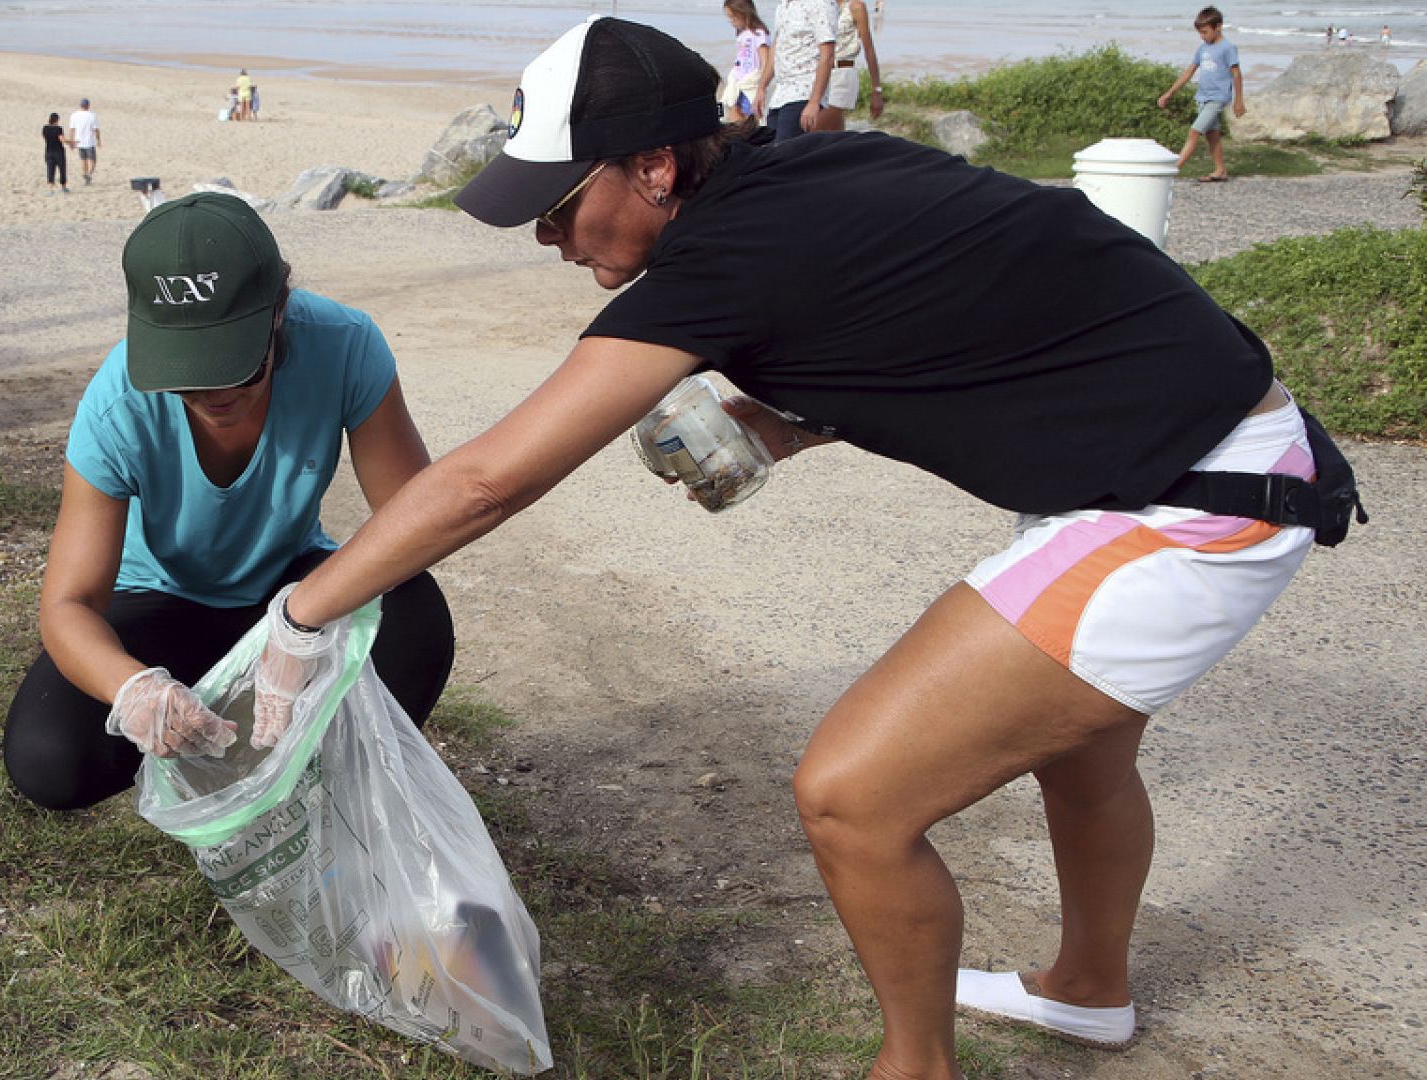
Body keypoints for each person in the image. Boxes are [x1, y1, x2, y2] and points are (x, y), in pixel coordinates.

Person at [256, 16, 1342, 1079]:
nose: (550, 239)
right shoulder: (801, 168)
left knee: (853, 798)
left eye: (559, 207)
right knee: (1082, 747)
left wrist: (303, 617)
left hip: (1193, 502)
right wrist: (790, 422)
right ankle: (1088, 992)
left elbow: (491, 480)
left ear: (654, 166)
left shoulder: (730, 256)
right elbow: (961, 310)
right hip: (1195, 444)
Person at [3, 193, 455, 810]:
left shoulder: (343, 345)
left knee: (413, 615)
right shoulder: (117, 403)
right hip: (158, 601)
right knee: (48, 760)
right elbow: (68, 603)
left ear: (279, 312)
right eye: (186, 373)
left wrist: (302, 622)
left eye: (239, 367)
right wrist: (133, 687)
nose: (214, 394)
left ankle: (325, 781)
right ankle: (228, 764)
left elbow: (416, 519)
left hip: (289, 588)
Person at [1159, 6, 1244, 183]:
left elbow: (1236, 74)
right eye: (1200, 33)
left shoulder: (1227, 48)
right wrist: (1169, 93)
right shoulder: (1203, 48)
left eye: (1205, 32)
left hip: (1217, 97)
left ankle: (1174, 170)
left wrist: (1238, 101)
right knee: (1212, 136)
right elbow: (1189, 72)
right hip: (1202, 97)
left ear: (1218, 27)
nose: (1202, 36)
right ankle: (1220, 171)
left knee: (1193, 132)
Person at [764, 0, 836, 138]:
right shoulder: (783, 6)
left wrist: (814, 102)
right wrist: (762, 86)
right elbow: (776, 47)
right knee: (771, 151)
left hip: (804, 91)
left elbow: (827, 54)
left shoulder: (820, 4)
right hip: (780, 94)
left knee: (786, 153)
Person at [818, 0, 885, 129]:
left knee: (812, 131)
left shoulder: (855, 7)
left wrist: (876, 90)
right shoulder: (822, 5)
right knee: (833, 139)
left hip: (842, 75)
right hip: (821, 76)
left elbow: (869, 49)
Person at [68, 97, 101, 184]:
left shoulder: (74, 115)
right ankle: (89, 174)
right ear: (88, 106)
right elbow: (96, 130)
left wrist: (71, 142)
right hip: (89, 142)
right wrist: (98, 140)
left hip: (79, 142)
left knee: (84, 160)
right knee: (93, 160)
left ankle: (85, 174)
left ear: (81, 105)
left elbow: (72, 129)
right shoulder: (92, 115)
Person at [42, 111, 69, 195]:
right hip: (58, 152)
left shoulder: (45, 128)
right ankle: (63, 188)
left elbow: (44, 137)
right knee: (62, 169)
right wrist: (71, 142)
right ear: (57, 120)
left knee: (50, 170)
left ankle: (51, 189)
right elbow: (62, 140)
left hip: (49, 151)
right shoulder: (59, 129)